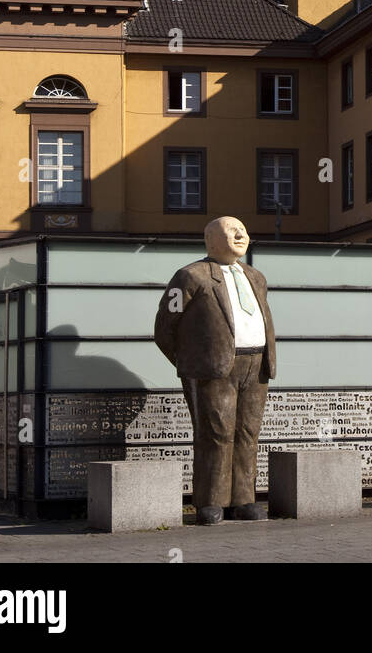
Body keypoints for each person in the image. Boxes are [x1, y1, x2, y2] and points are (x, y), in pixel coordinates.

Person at [154, 215, 276, 525]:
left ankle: (244, 499)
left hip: (257, 363)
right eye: (231, 230)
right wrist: (193, 362)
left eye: (243, 229)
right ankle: (210, 502)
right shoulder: (190, 276)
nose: (240, 234)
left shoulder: (256, 277)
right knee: (215, 434)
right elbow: (165, 328)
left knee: (248, 433)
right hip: (212, 368)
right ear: (210, 240)